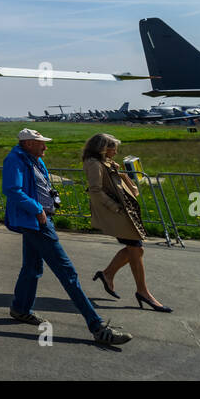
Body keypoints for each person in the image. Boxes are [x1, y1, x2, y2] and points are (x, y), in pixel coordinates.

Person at [2, 127, 131, 345]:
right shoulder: (15, 159)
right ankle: (97, 326)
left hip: (41, 219)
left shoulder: (33, 159)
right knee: (67, 272)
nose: (45, 146)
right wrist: (36, 208)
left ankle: (20, 309)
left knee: (32, 268)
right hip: (36, 222)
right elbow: (12, 189)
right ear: (28, 143)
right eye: (41, 142)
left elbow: (40, 186)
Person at [83, 133, 172, 313]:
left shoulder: (106, 163)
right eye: (113, 147)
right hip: (117, 213)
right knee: (135, 249)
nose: (115, 151)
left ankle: (108, 274)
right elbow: (95, 190)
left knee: (136, 249)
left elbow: (130, 189)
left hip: (125, 211)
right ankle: (143, 292)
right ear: (102, 148)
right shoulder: (94, 164)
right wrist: (115, 207)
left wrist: (121, 174)